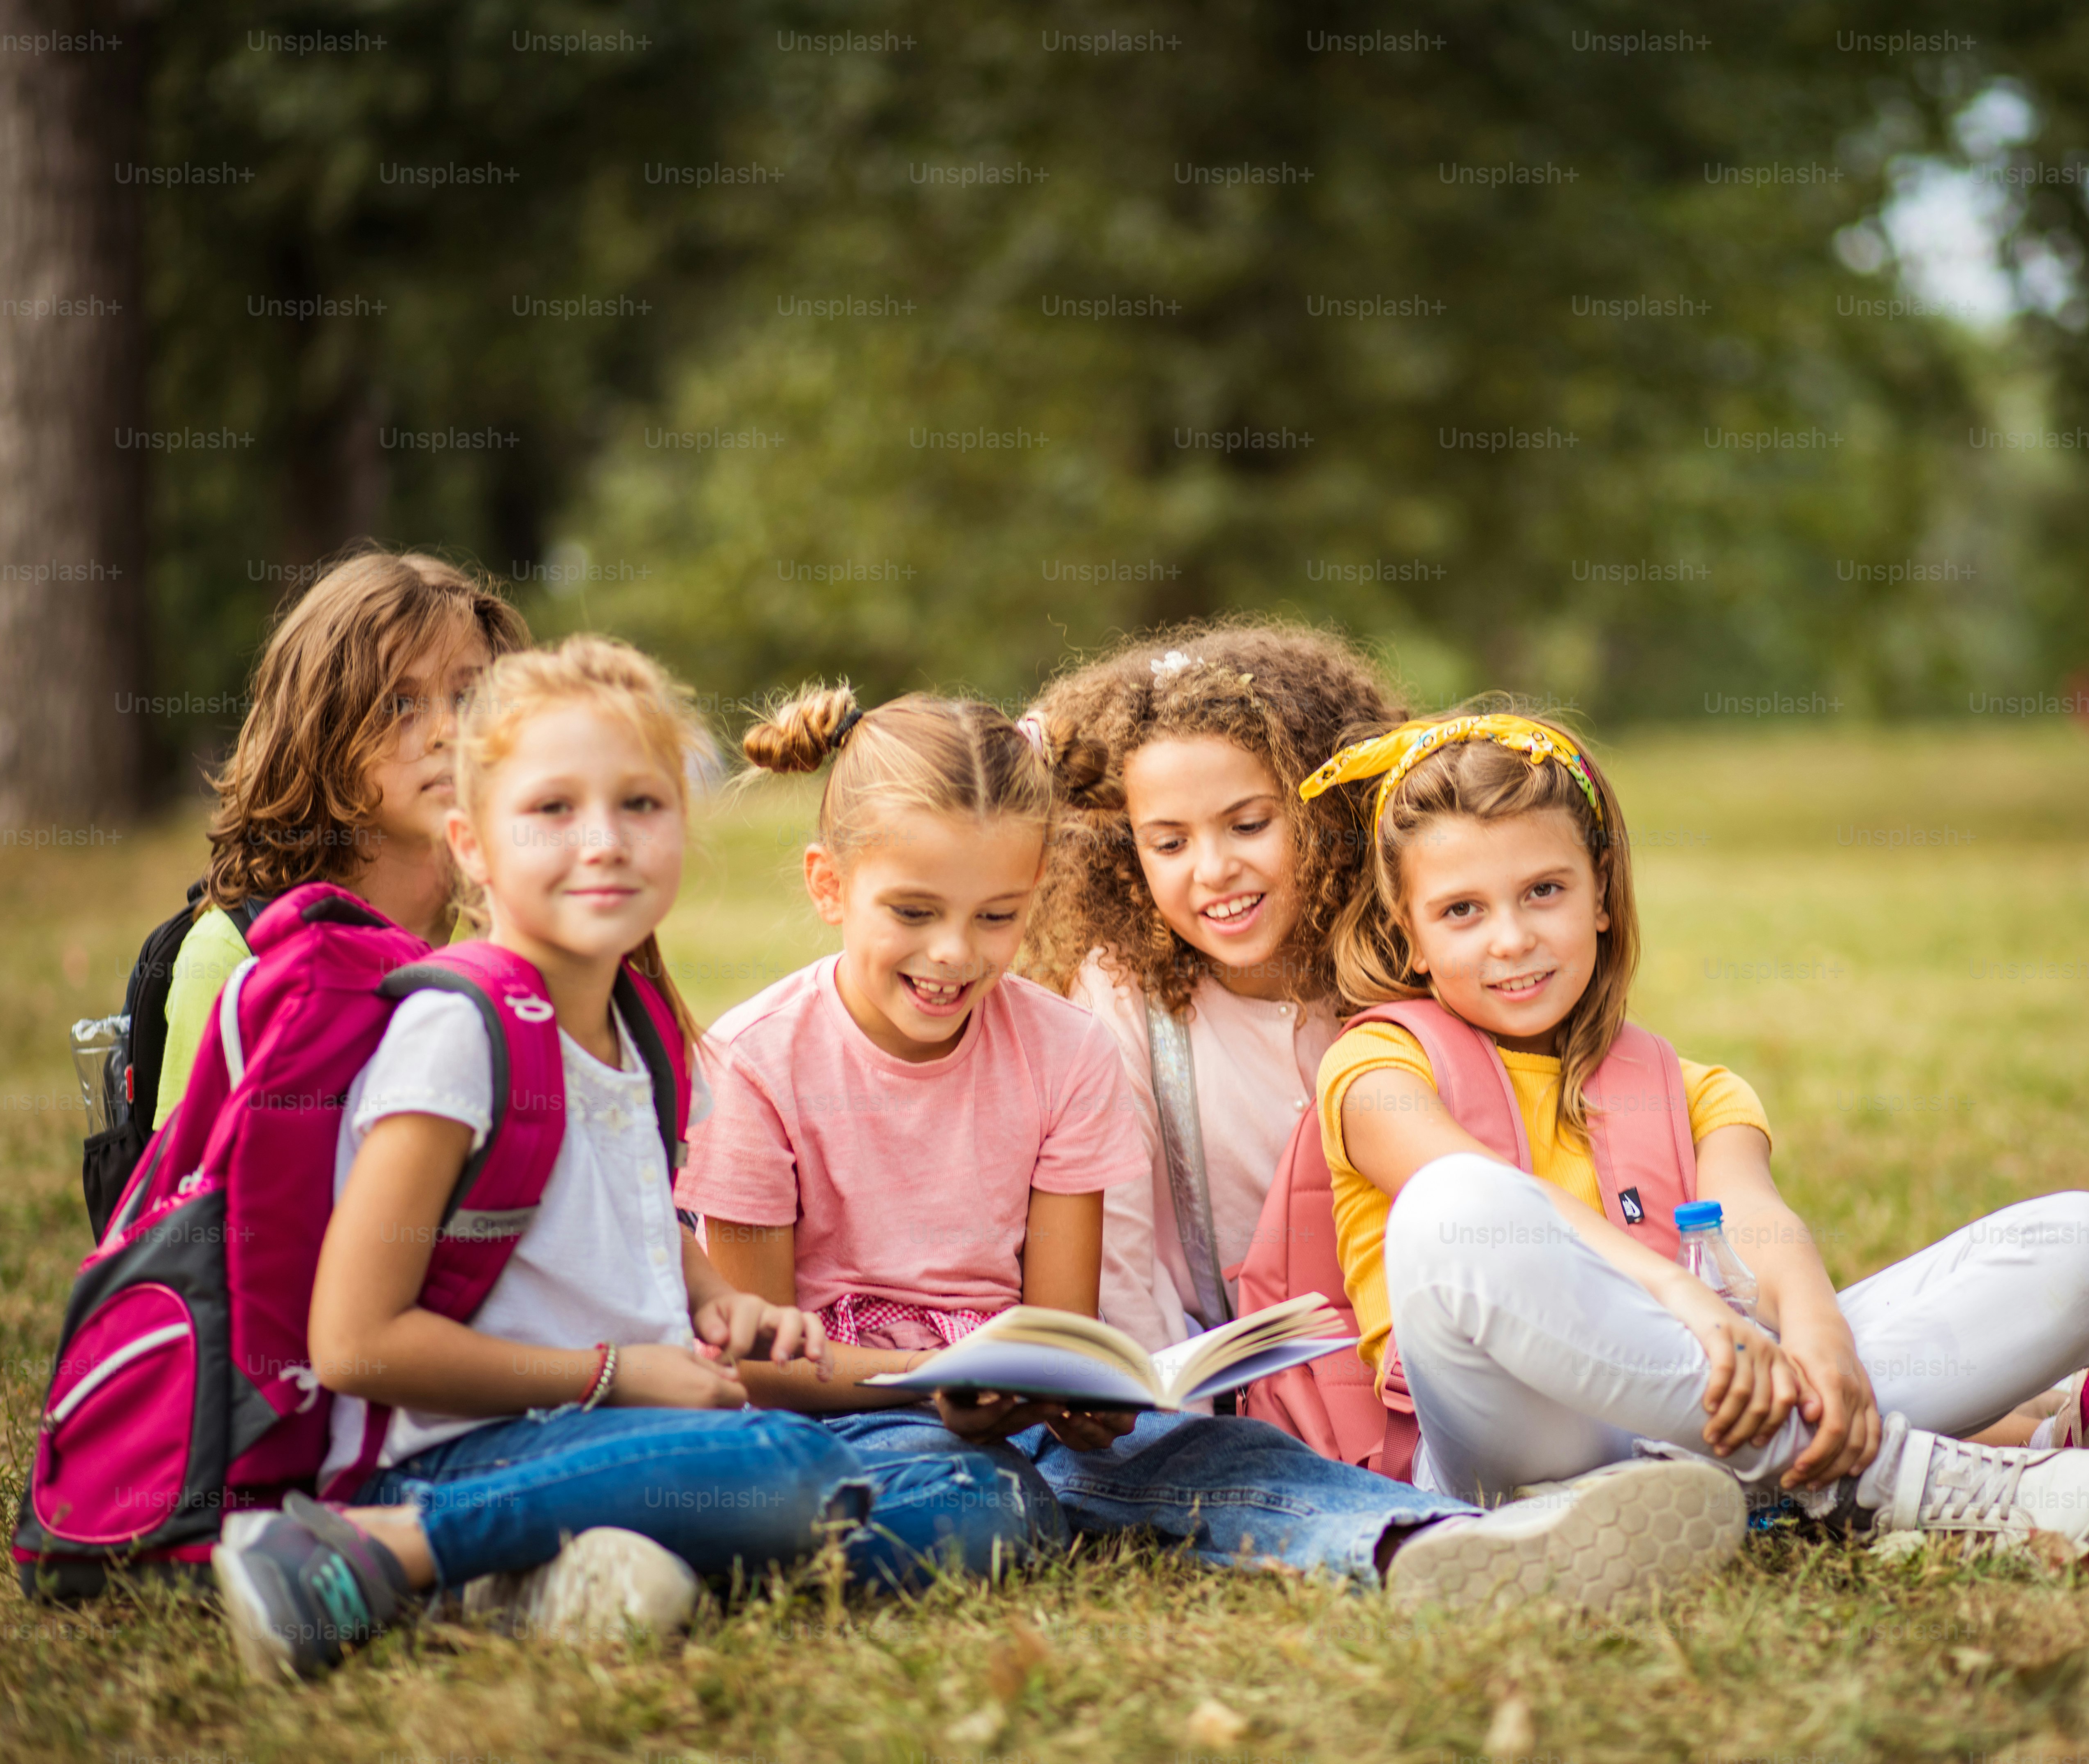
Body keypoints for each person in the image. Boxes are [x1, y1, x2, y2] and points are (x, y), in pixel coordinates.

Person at [684, 683, 1741, 1611]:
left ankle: (1430, 1546)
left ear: (1036, 890)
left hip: (1019, 1421)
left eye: (997, 916)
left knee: (1226, 1454)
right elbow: (756, 1363)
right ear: (828, 886)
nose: (954, 954)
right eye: (913, 912)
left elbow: (1061, 1325)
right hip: (850, 1420)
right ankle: (701, 1554)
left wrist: (1078, 1396)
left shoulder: (1063, 1050)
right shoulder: (753, 1062)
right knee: (981, 1506)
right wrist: (934, 1382)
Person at [211, 639, 1028, 1680]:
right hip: (459, 1457)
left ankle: (539, 1579)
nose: (603, 841)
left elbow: (626, 1227)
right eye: (553, 809)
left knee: (986, 1502)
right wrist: (613, 1375)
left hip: (624, 1444)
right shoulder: (458, 1035)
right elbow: (354, 1346)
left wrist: (722, 1304)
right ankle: (383, 1550)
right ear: (471, 844)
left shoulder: (634, 1028)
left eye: (640, 805)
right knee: (785, 1466)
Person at [1308, 705, 2089, 1551]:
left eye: (1544, 891)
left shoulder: (1695, 1090)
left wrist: (1820, 1337)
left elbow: (1757, 1228)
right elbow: (1483, 1200)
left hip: (1709, 1401)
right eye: (1461, 911)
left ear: (1601, 895)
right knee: (1454, 1203)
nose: (1512, 938)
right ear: (1409, 936)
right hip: (1513, 1445)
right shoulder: (1375, 1069)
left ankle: (1744, 1473)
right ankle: (1878, 1473)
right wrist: (1679, 1295)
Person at [1019, 623, 1408, 1350]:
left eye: (1250, 824)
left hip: (1401, 1358)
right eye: (1170, 843)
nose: (1214, 869)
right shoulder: (1120, 997)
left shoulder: (1397, 963)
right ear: (1126, 852)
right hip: (1210, 1377)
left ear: (1325, 810)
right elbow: (1118, 1262)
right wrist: (1170, 1400)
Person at [156, 551, 528, 1127]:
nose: (448, 731)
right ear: (320, 731)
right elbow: (188, 1176)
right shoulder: (237, 955)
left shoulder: (519, 926)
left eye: (469, 697)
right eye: (400, 704)